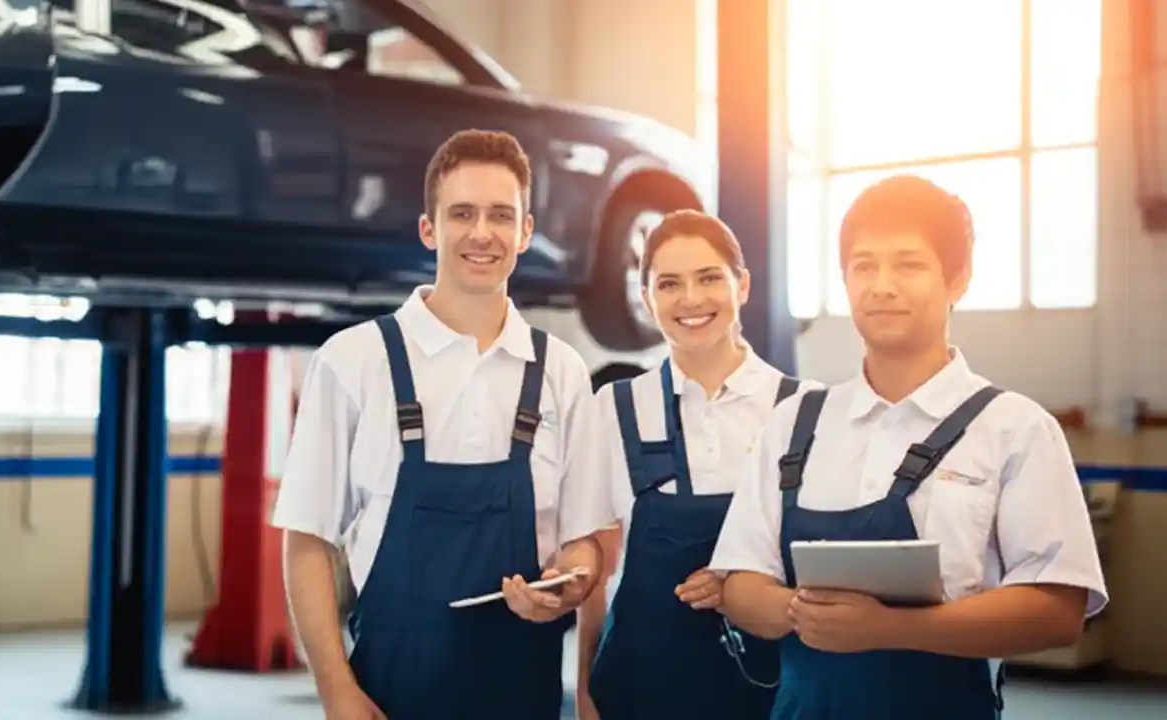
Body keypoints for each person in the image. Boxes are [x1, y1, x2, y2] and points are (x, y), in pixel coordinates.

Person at [710, 175, 1108, 720]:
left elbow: (1057, 610)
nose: (882, 285)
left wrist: (890, 628)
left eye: (909, 265)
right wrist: (802, 612)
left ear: (958, 278)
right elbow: (739, 583)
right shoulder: (793, 424)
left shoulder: (1014, 429)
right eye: (863, 266)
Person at [272, 128, 612, 720]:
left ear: (526, 232)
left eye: (502, 215)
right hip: (386, 697)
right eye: (462, 213)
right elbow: (307, 540)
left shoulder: (561, 371)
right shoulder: (353, 362)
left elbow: (584, 538)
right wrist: (335, 689)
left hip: (522, 695)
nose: (482, 233)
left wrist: (569, 582)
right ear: (429, 229)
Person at [579, 210, 820, 720]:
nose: (690, 299)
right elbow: (596, 572)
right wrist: (584, 692)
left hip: (774, 694)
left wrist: (747, 584)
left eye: (709, 278)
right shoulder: (613, 409)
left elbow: (828, 564)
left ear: (743, 285)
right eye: (669, 284)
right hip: (638, 690)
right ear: (647, 300)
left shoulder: (806, 410)